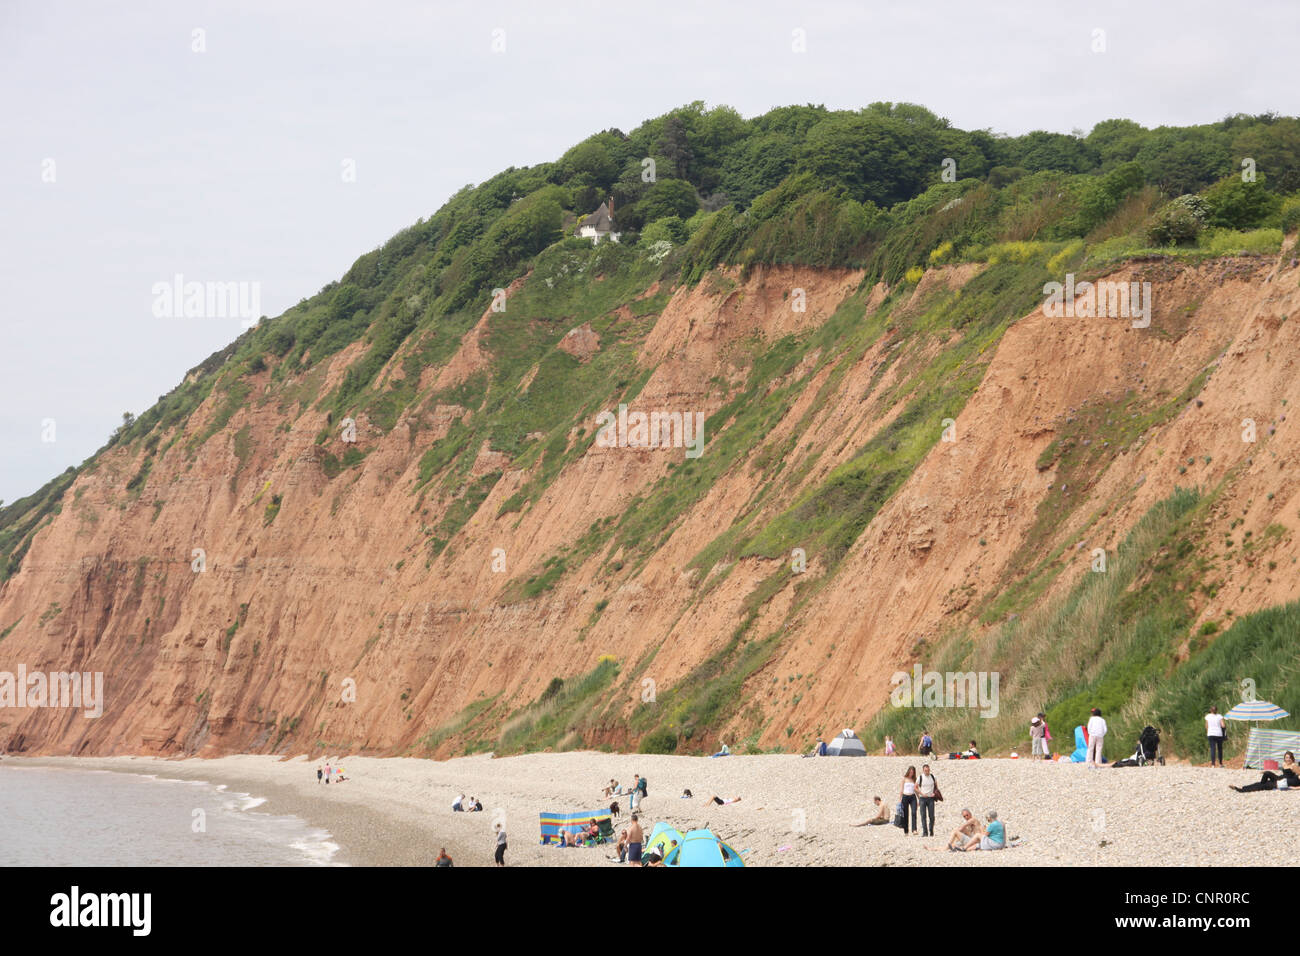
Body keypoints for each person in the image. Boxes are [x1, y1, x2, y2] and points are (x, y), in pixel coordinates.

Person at [1230, 752, 1300, 792]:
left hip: (1281, 780)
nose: (1287, 759)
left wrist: (1294, 787)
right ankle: (1244, 787)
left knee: (1264, 778)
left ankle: (1241, 789)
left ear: (1292, 758)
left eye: (1289, 758)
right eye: (1286, 757)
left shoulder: (1293, 765)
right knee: (1265, 777)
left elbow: (1298, 773)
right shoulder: (1284, 764)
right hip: (1280, 778)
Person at [917, 764, 938, 837]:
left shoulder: (933, 777)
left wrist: (935, 793)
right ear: (923, 770)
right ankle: (925, 832)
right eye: (925, 770)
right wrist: (922, 794)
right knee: (923, 816)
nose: (927, 772)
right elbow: (915, 788)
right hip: (922, 798)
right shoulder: (920, 777)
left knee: (931, 816)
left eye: (928, 770)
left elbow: (936, 786)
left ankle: (931, 830)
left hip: (931, 798)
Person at [898, 766, 918, 835]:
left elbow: (916, 790)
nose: (911, 773)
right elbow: (901, 789)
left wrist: (919, 798)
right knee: (906, 814)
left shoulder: (914, 779)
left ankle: (914, 829)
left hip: (913, 797)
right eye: (910, 771)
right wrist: (900, 799)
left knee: (914, 812)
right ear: (908, 771)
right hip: (905, 796)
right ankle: (906, 831)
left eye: (913, 772)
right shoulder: (904, 779)